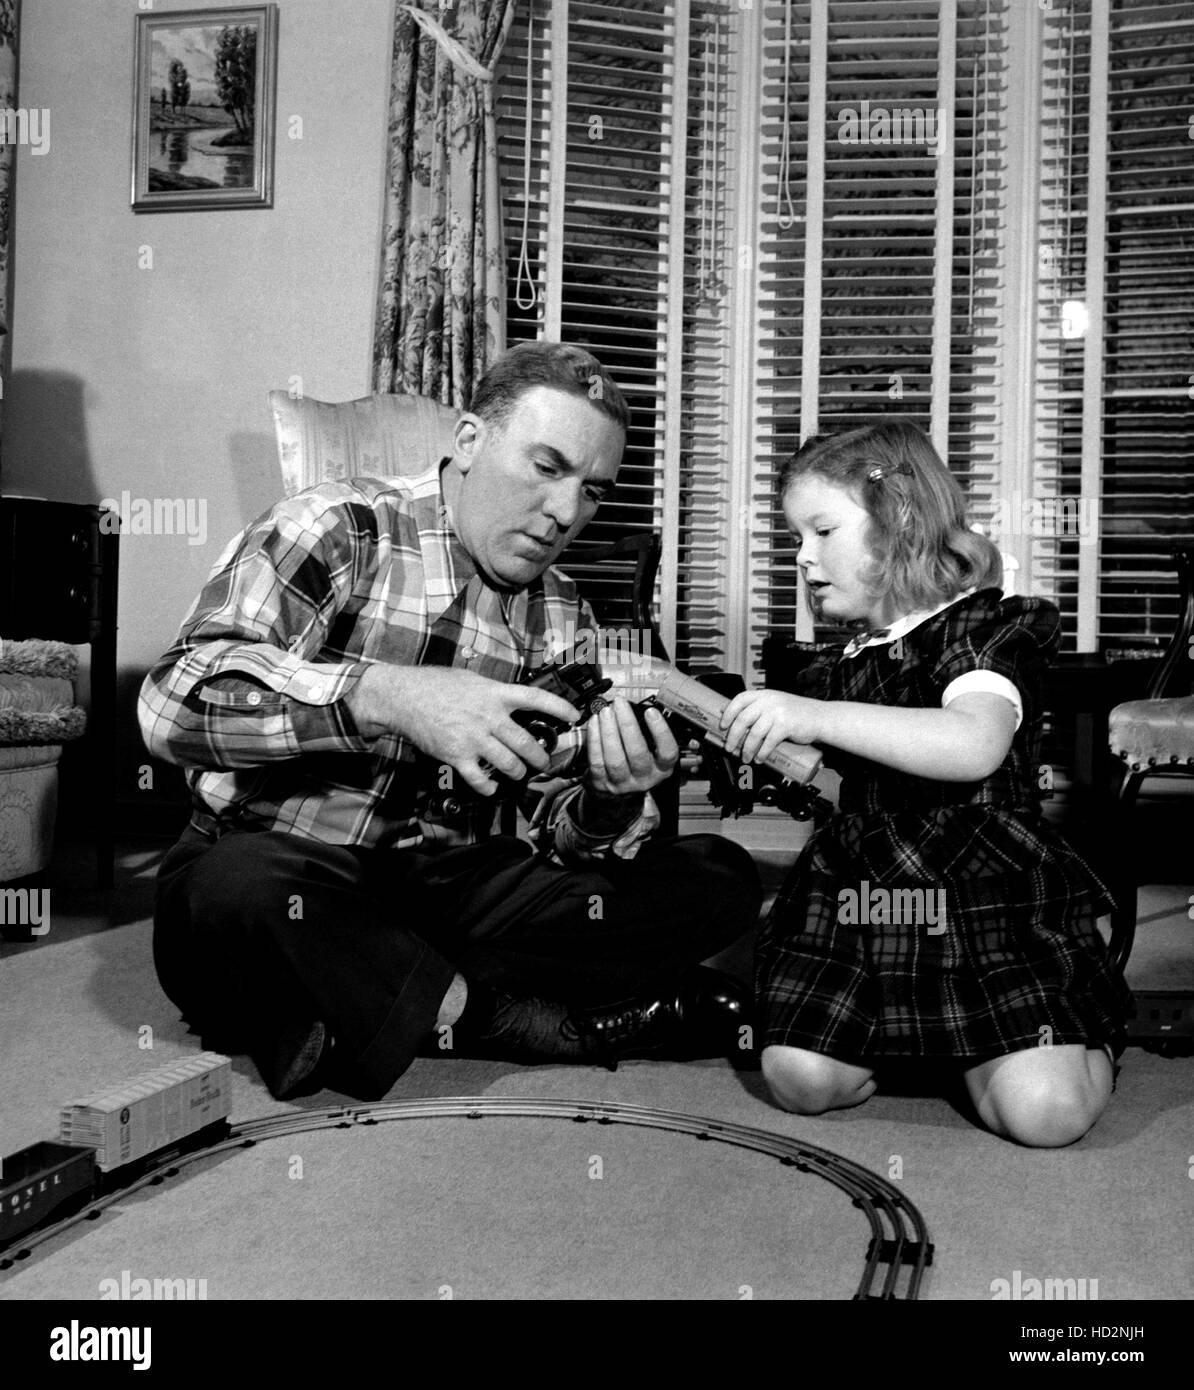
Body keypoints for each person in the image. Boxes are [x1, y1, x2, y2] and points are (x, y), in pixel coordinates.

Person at [139, 341, 761, 1101]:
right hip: (283, 862)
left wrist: (605, 799)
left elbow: (554, 834)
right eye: (547, 467)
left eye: (593, 491)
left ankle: (353, 995)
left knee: (717, 879)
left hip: (442, 886)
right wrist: (386, 696)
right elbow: (170, 702)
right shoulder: (337, 529)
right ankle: (513, 1019)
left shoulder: (567, 617)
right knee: (238, 888)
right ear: (470, 441)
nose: (567, 514)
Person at [719, 421, 1129, 1148]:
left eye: (821, 530)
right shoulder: (840, 660)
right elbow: (841, 783)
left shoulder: (980, 631)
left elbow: (973, 745)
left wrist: (817, 716)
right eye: (795, 538)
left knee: (1045, 1117)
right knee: (799, 1080)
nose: (803, 557)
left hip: (980, 900)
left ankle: (1058, 1039)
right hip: (867, 900)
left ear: (900, 520)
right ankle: (953, 1049)